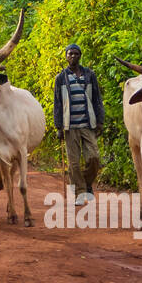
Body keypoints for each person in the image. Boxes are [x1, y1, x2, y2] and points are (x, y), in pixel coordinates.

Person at [53, 43, 104, 207]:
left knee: (94, 158)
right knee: (73, 163)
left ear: (80, 55)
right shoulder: (61, 78)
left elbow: (97, 99)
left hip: (88, 124)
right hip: (70, 126)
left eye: (76, 53)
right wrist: (58, 127)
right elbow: (58, 104)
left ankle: (87, 184)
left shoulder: (90, 74)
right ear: (66, 57)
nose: (73, 56)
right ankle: (81, 193)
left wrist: (100, 121)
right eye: (70, 54)